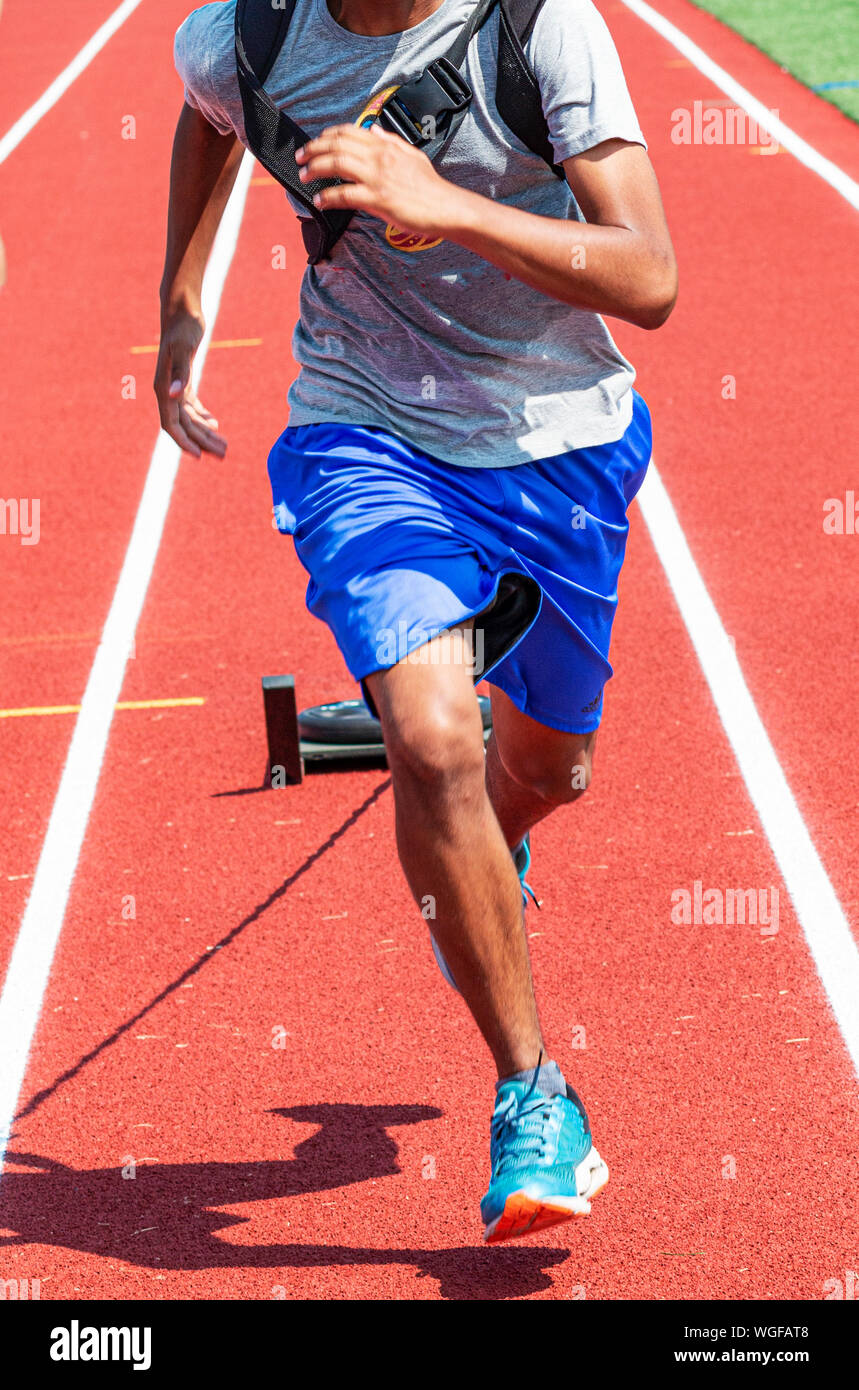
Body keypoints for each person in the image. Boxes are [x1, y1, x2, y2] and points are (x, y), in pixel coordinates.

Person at [156, 0, 677, 1244]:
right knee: (431, 738)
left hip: (560, 444)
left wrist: (449, 206)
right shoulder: (250, 37)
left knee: (551, 769)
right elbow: (203, 114)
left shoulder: (541, 28)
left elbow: (650, 277)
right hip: (363, 431)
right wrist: (179, 297)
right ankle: (533, 1094)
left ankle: (484, 854)